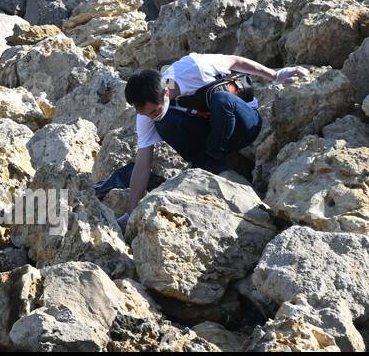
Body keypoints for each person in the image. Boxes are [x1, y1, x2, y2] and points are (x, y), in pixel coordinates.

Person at [103, 55, 309, 230]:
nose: (152, 116)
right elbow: (142, 165)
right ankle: (212, 164)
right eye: (146, 114)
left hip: (243, 125)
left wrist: (275, 75)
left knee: (221, 100)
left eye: (154, 110)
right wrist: (130, 213)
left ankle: (217, 158)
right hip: (209, 134)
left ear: (166, 92)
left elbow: (234, 61)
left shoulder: (193, 68)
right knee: (164, 123)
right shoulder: (147, 116)